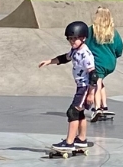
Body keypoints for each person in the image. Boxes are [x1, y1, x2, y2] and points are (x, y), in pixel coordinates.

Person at [38, 19, 96, 154]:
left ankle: (69, 143)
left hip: (86, 87)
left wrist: (91, 93)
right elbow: (65, 58)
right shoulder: (75, 51)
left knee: (72, 112)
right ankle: (81, 140)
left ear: (83, 38)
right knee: (79, 112)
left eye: (75, 38)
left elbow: (94, 75)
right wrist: (50, 61)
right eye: (70, 39)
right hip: (81, 87)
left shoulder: (86, 54)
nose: (72, 41)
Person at [85, 7, 123, 119]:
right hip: (110, 63)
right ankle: (104, 106)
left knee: (96, 83)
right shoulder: (113, 32)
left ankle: (97, 108)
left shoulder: (91, 30)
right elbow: (119, 48)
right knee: (100, 82)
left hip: (98, 63)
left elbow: (85, 45)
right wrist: (115, 56)